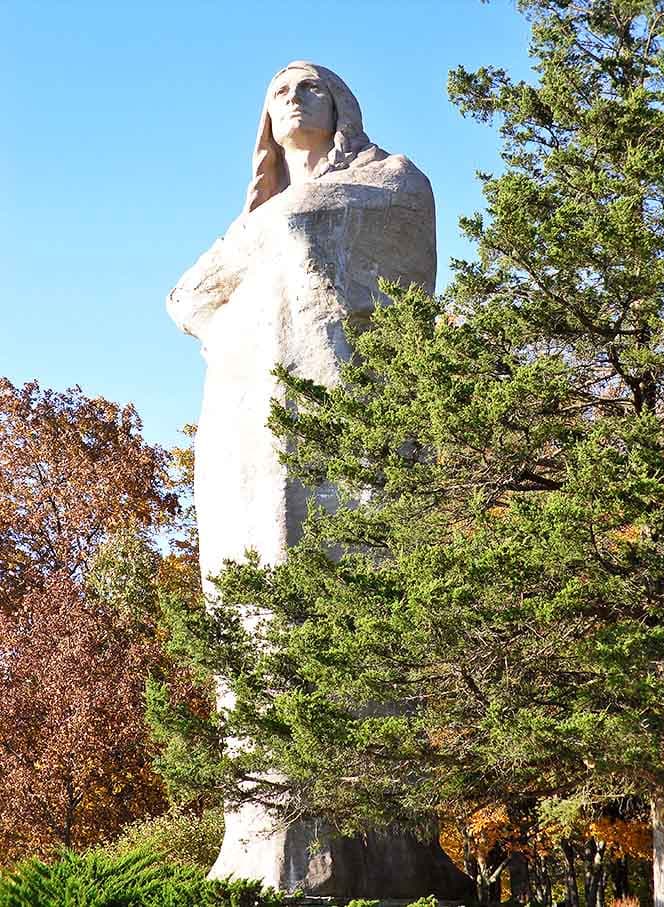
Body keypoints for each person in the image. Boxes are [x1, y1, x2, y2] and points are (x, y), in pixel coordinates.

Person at [168, 63, 467, 897]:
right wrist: (245, 332)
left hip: (347, 420)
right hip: (247, 431)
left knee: (354, 604)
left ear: (342, 104)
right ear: (263, 120)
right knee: (257, 609)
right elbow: (185, 297)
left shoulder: (391, 180)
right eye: (276, 91)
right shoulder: (255, 218)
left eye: (309, 85)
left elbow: (407, 286)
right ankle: (266, 837)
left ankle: (369, 841)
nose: (292, 98)